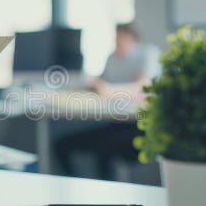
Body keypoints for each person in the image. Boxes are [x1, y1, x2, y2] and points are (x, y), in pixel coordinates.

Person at [54, 23, 161, 179]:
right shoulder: (112, 57)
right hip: (114, 122)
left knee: (105, 149)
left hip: (137, 127)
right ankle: (73, 183)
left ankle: (107, 187)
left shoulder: (148, 54)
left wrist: (108, 90)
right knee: (61, 144)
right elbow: (100, 82)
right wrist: (86, 88)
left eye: (121, 39)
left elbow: (142, 86)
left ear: (133, 39)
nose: (118, 44)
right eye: (116, 40)